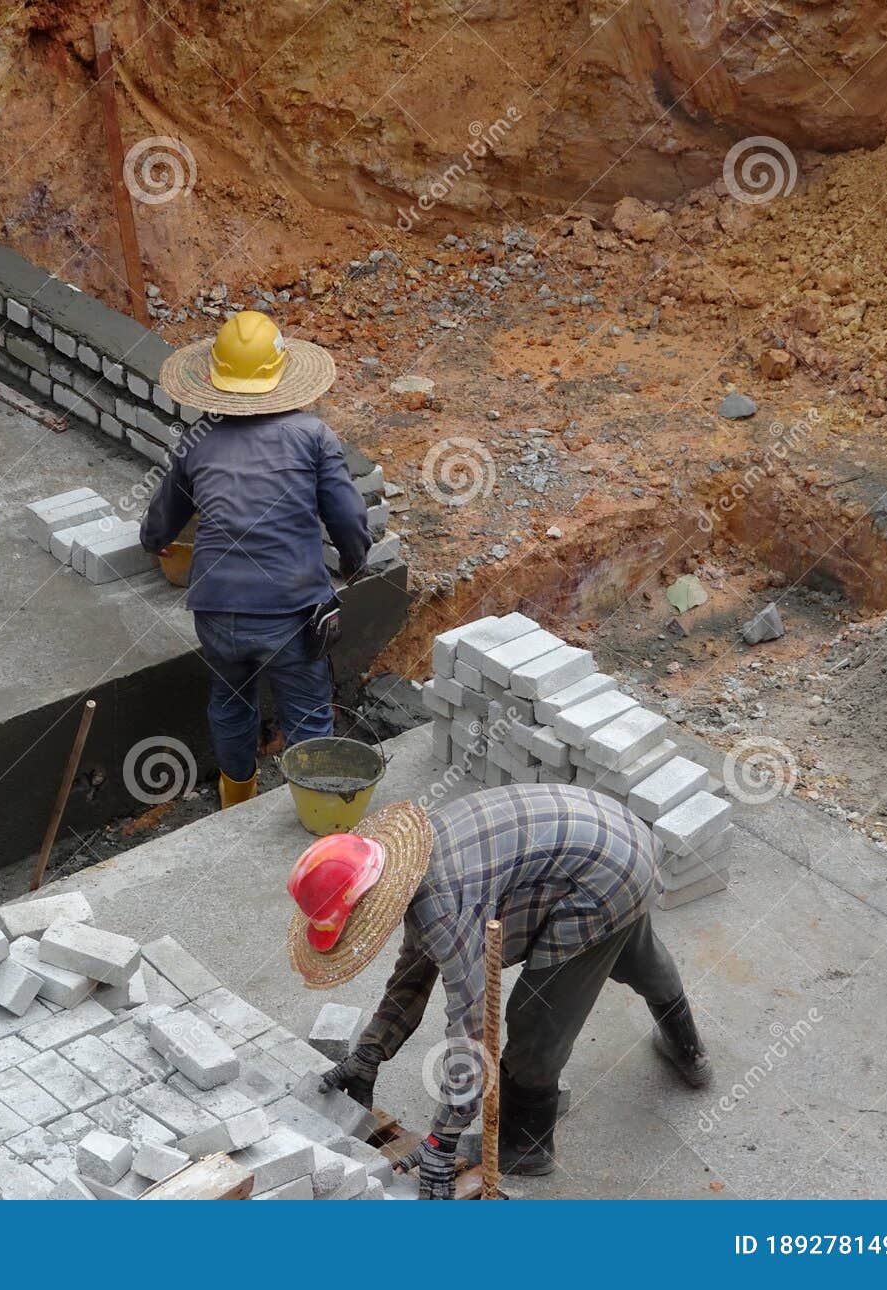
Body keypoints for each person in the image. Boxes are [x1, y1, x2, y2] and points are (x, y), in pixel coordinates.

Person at [286, 785, 712, 1199]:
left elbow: (471, 1025)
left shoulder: (442, 907)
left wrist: (443, 1137)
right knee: (631, 951)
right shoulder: (407, 862)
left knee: (539, 1013)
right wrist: (368, 1054)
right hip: (611, 835)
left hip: (604, 873)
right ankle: (688, 1051)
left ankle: (526, 1146)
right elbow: (414, 970)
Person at [142, 310, 371, 809]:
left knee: (229, 701)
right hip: (290, 612)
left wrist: (154, 540)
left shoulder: (198, 438)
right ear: (281, 374)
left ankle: (236, 801)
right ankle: (317, 815)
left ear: (216, 377)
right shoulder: (312, 436)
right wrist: (355, 563)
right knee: (308, 715)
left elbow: (165, 514)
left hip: (216, 609)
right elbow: (349, 520)